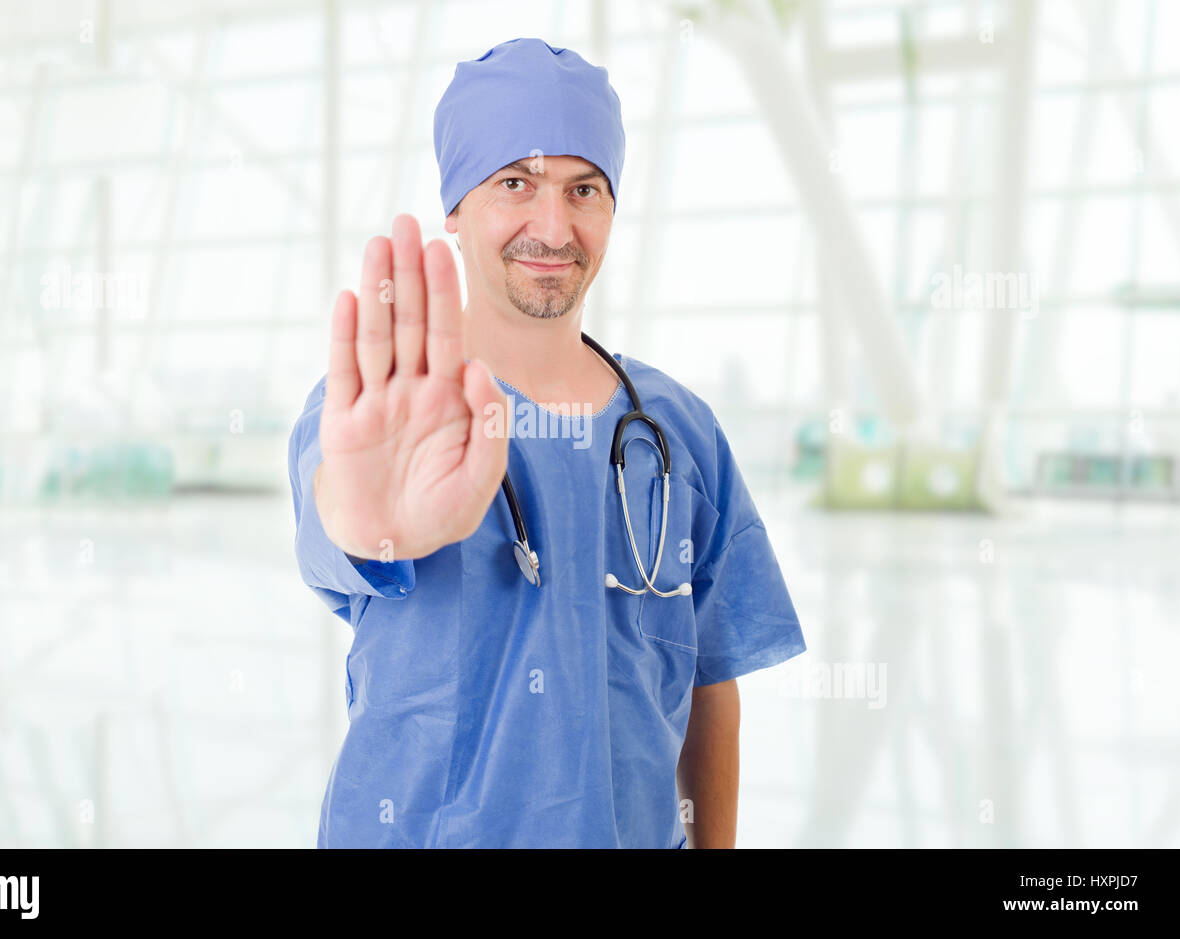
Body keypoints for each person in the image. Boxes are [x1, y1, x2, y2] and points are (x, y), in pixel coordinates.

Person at [288, 37, 806, 848]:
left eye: (583, 188)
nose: (553, 225)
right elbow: (336, 527)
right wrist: (365, 518)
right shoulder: (381, 406)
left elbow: (710, 678)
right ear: (456, 206)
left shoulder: (680, 433)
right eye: (516, 183)